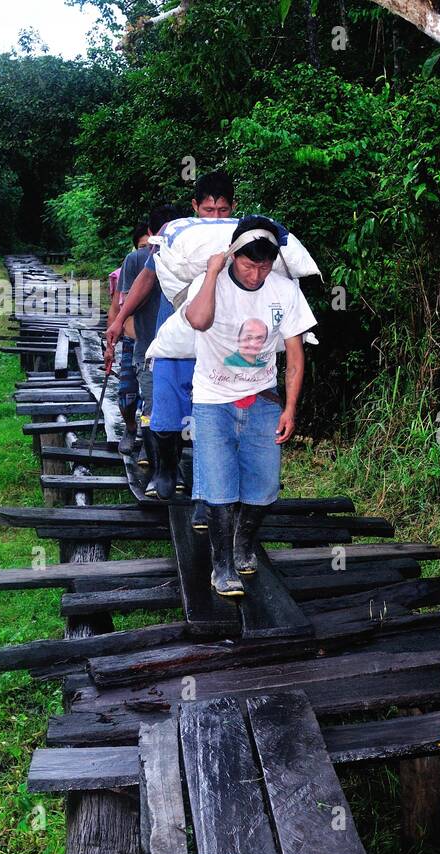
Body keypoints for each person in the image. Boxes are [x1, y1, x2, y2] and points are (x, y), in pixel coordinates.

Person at [183, 215, 315, 597]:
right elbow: (198, 319)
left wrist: (290, 408)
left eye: (264, 265)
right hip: (212, 400)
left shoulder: (285, 291)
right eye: (247, 263)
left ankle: (243, 543)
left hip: (263, 399)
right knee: (219, 488)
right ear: (233, 255)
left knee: (263, 487)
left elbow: (295, 354)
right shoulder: (214, 283)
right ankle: (221, 565)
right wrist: (212, 272)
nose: (256, 274)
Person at [108, 171, 235, 505]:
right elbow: (147, 278)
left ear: (234, 207)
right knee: (164, 405)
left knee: (212, 411)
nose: (216, 218)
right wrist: (120, 318)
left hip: (218, 340)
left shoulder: (239, 236)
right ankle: (167, 469)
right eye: (209, 210)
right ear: (194, 207)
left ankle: (211, 492)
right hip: (173, 335)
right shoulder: (174, 234)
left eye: (223, 211)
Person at [105, 203, 178, 489]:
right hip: (147, 346)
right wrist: (125, 335)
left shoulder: (196, 257)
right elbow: (125, 303)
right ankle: (159, 467)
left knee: (176, 411)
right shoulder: (137, 261)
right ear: (151, 233)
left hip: (185, 351)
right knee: (150, 404)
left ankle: (172, 469)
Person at [107, 219, 149, 455]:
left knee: (151, 394)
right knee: (127, 391)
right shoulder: (126, 272)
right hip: (132, 338)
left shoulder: (171, 269)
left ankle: (150, 441)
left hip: (157, 341)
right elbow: (115, 309)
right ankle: (130, 427)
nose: (147, 253)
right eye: (142, 247)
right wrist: (110, 343)